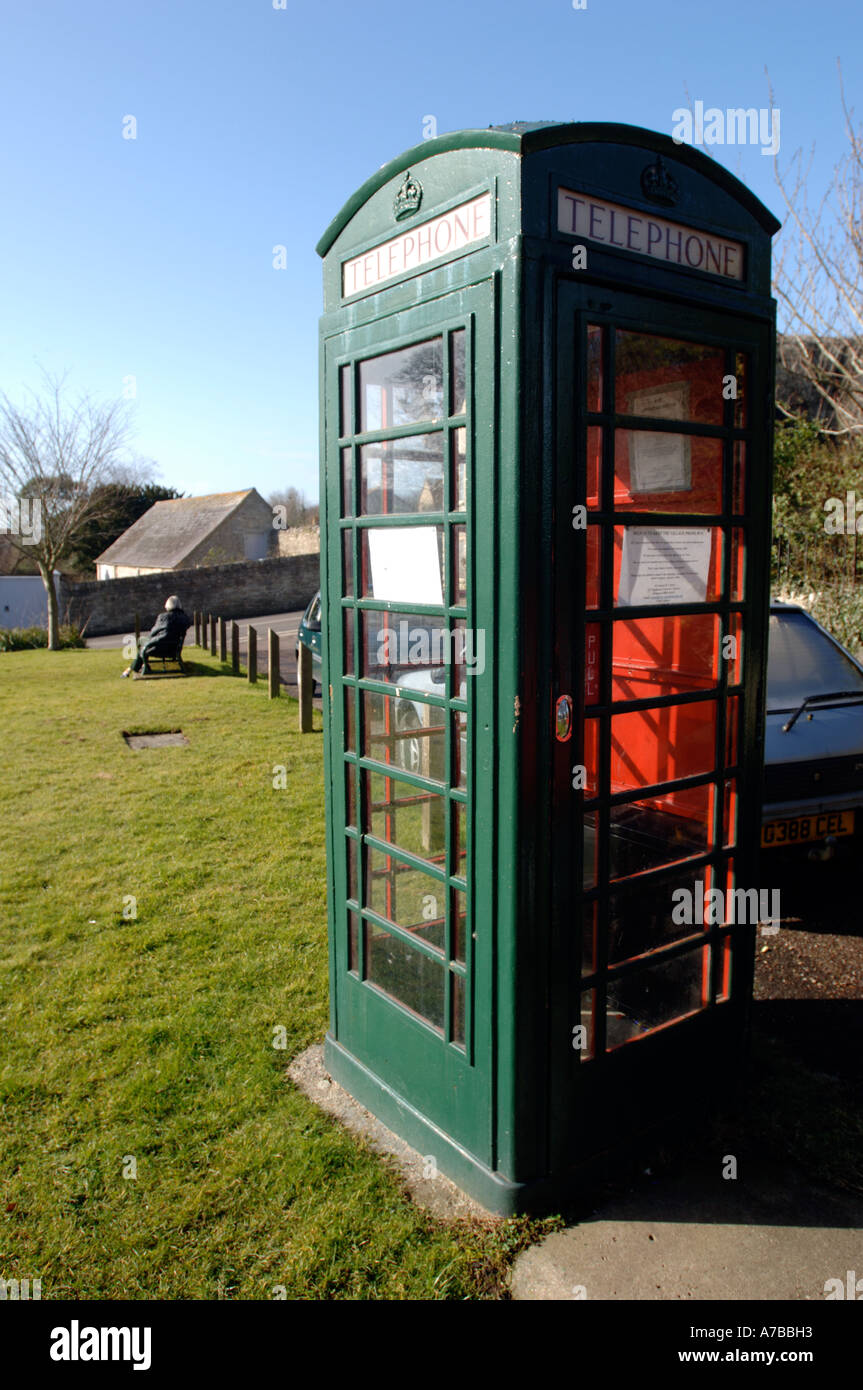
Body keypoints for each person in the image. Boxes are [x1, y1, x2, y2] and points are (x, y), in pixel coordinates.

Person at [122, 596, 192, 678]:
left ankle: (132, 669)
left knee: (142, 642)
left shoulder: (163, 617)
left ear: (168, 605)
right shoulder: (184, 618)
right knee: (143, 642)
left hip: (159, 649)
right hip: (174, 649)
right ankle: (134, 668)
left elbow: (153, 633)